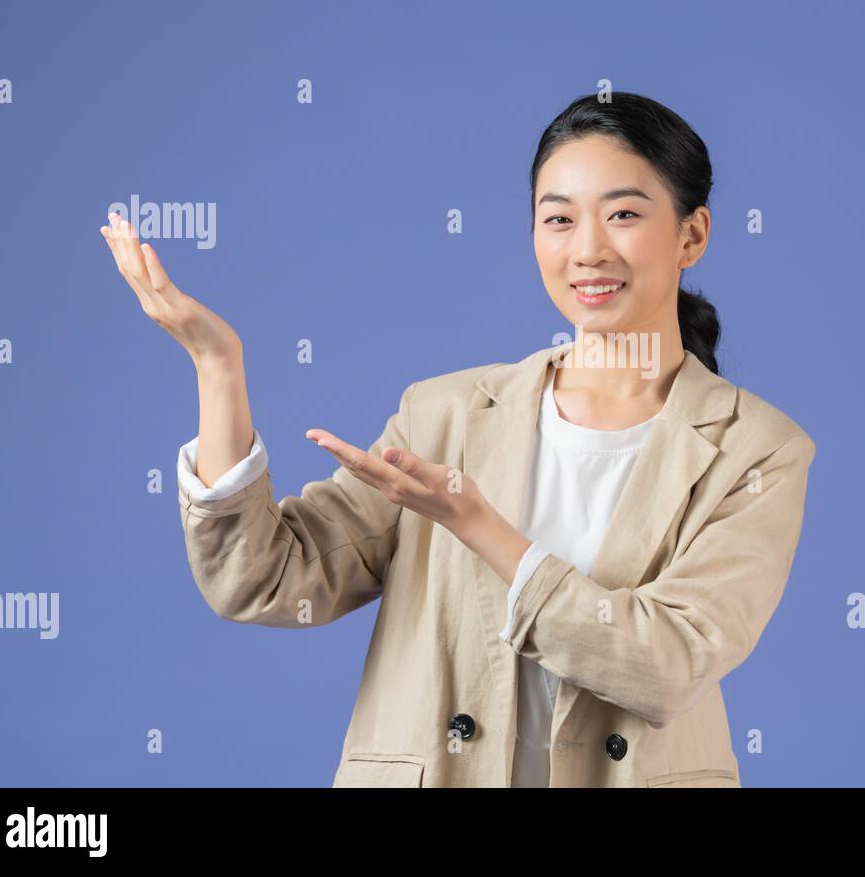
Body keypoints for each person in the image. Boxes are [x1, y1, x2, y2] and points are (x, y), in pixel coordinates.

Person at [100, 91, 817, 787]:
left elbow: (667, 665)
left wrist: (475, 523)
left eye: (624, 214)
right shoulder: (443, 414)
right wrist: (217, 365)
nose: (588, 250)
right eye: (558, 219)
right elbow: (265, 579)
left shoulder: (758, 450)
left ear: (692, 234)